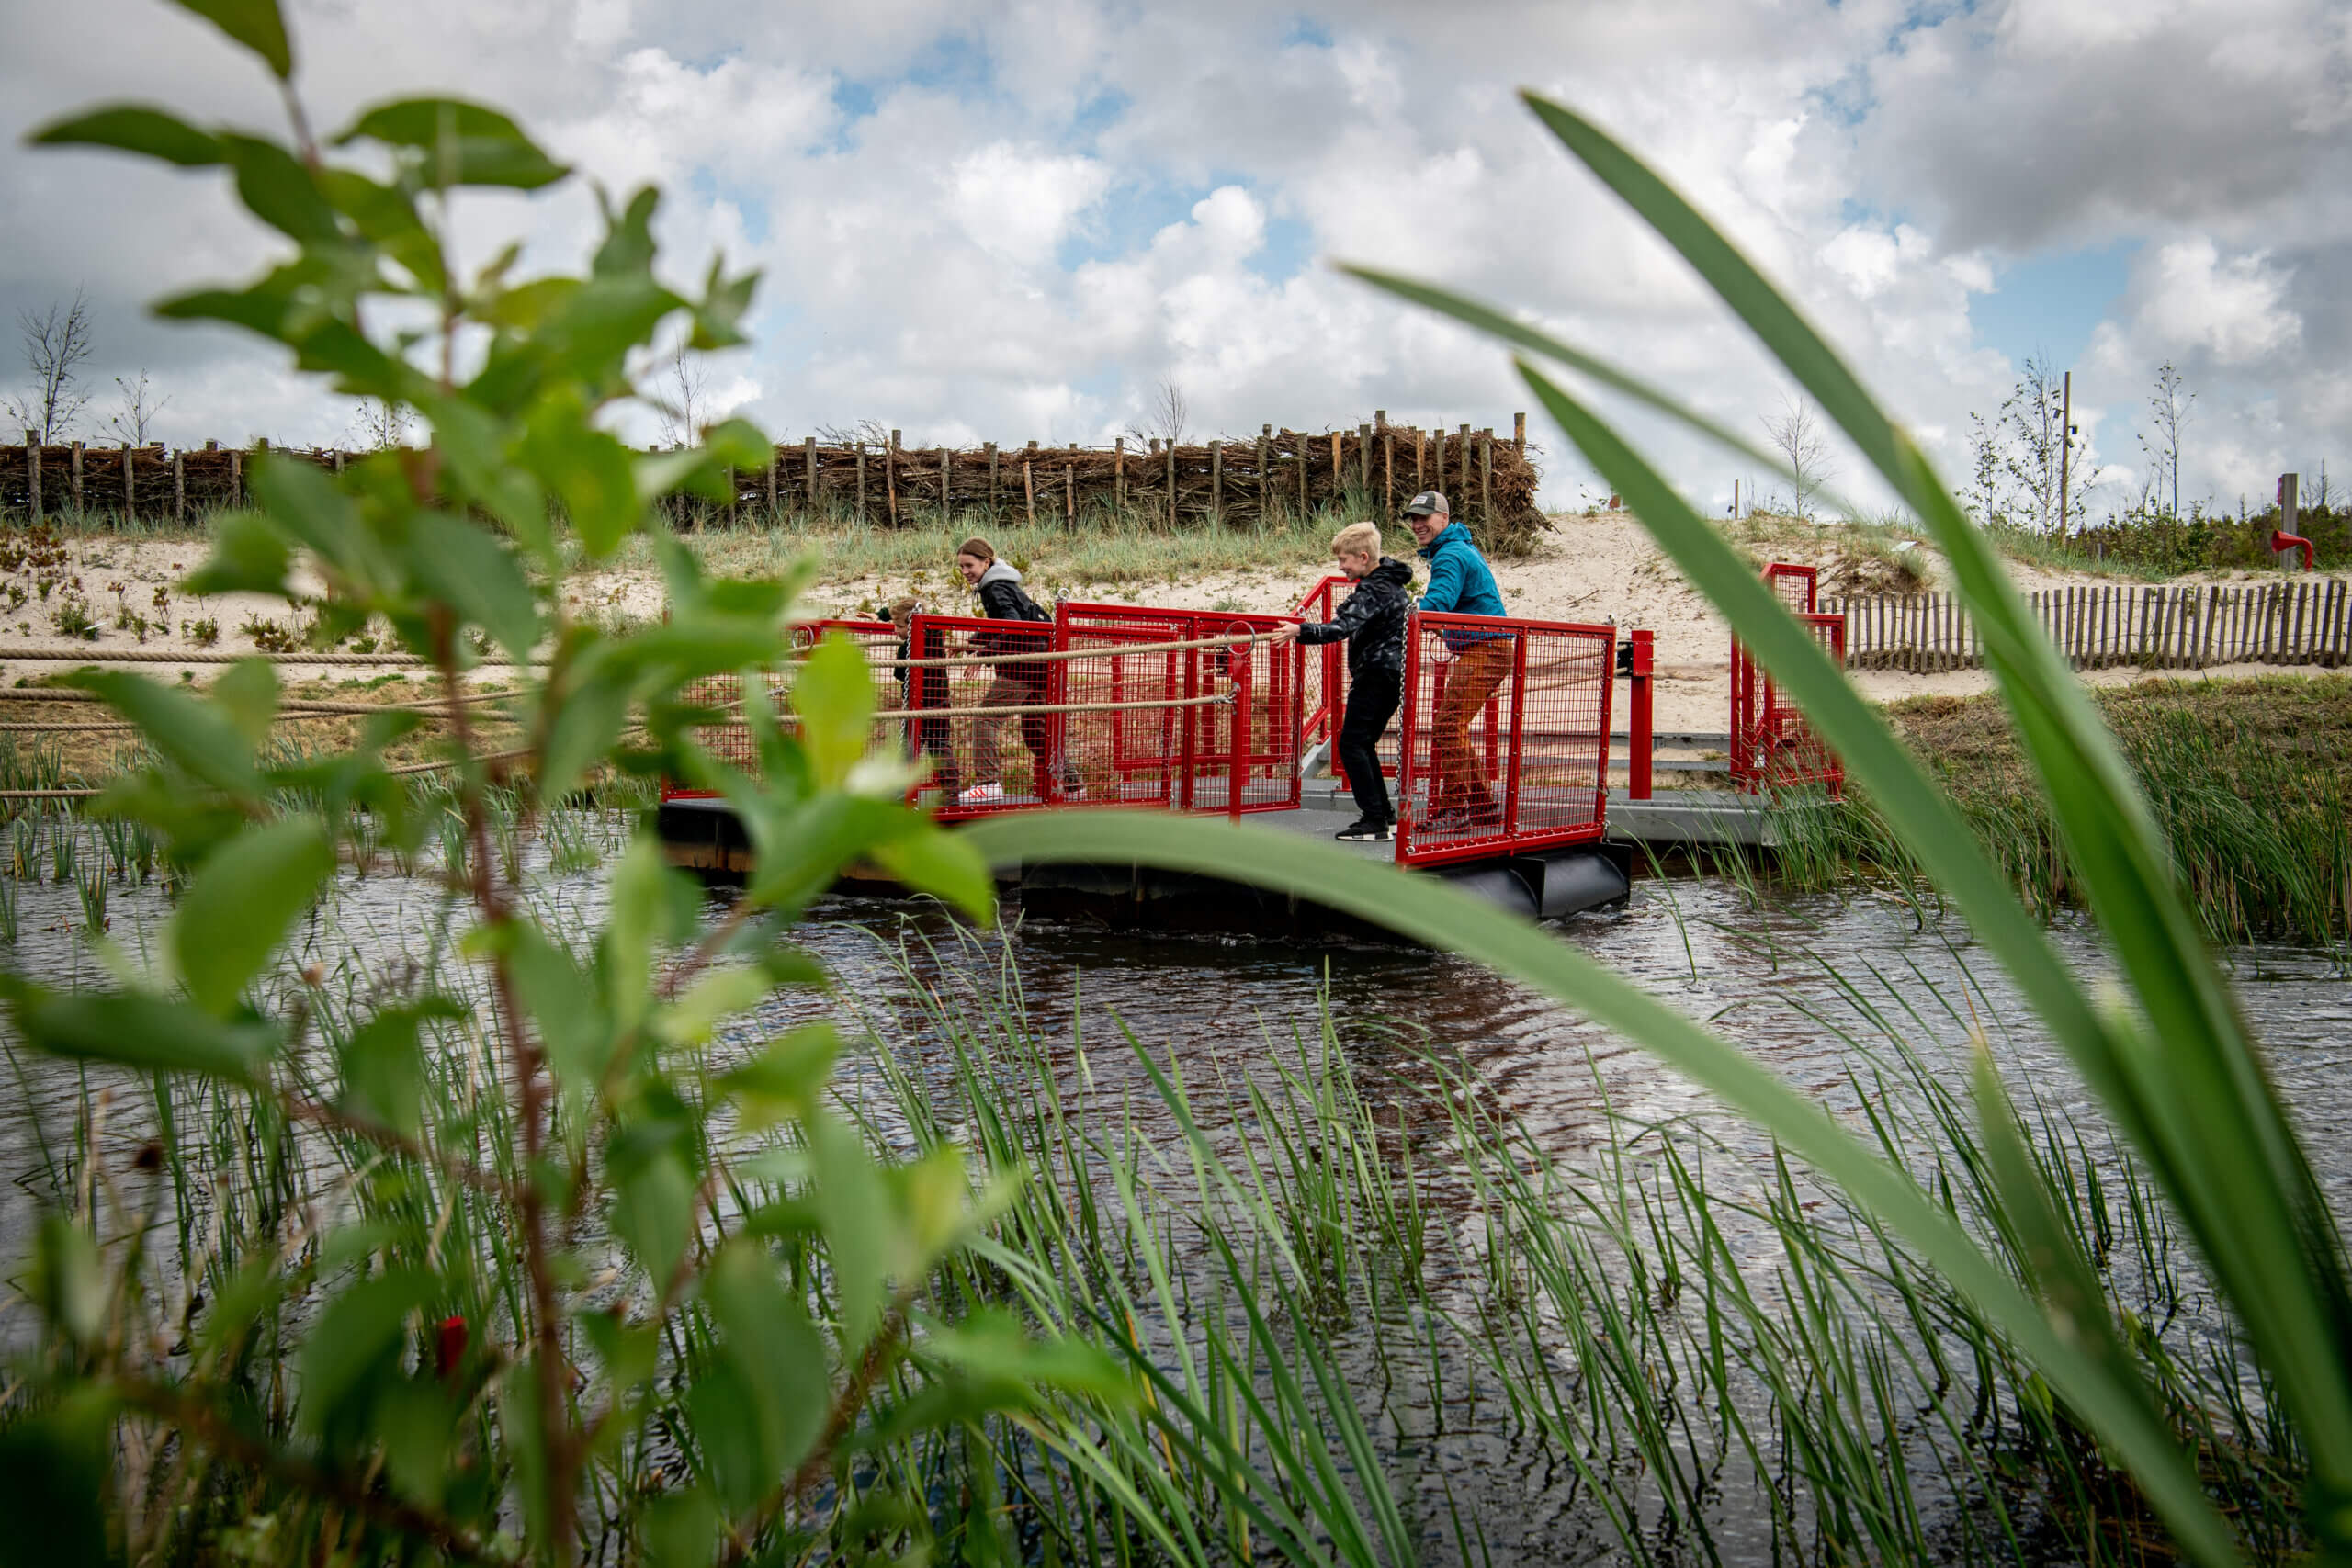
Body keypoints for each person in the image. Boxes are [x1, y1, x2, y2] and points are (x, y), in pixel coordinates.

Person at [1270, 522, 1410, 841]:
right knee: (1361, 743)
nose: (1341, 566)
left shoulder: (1376, 588)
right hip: (1389, 674)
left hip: (1377, 674)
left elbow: (1342, 627)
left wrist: (1300, 631)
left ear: (1363, 557)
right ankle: (1383, 814)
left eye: (1344, 560)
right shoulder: (1388, 584)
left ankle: (1374, 817)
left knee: (1351, 743)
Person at [1403, 491, 1511, 828]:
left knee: (1448, 726)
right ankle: (1482, 806)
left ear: (1444, 519)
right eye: (1414, 519)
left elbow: (1437, 604)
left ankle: (1454, 809)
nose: (1418, 524)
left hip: (1486, 648)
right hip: (1484, 647)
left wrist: (1406, 613)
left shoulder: (1450, 555)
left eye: (1424, 517)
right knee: (1453, 726)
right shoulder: (1456, 549)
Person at [954, 536, 1057, 804]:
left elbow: (1012, 626)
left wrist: (981, 655)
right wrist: (972, 643)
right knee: (1037, 732)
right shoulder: (1001, 584)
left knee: (984, 719)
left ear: (986, 562)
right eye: (961, 567)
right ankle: (1072, 785)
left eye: (969, 565)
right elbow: (1002, 623)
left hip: (1023, 666)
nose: (965, 572)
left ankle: (988, 784)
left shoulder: (994, 587)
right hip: (1041, 664)